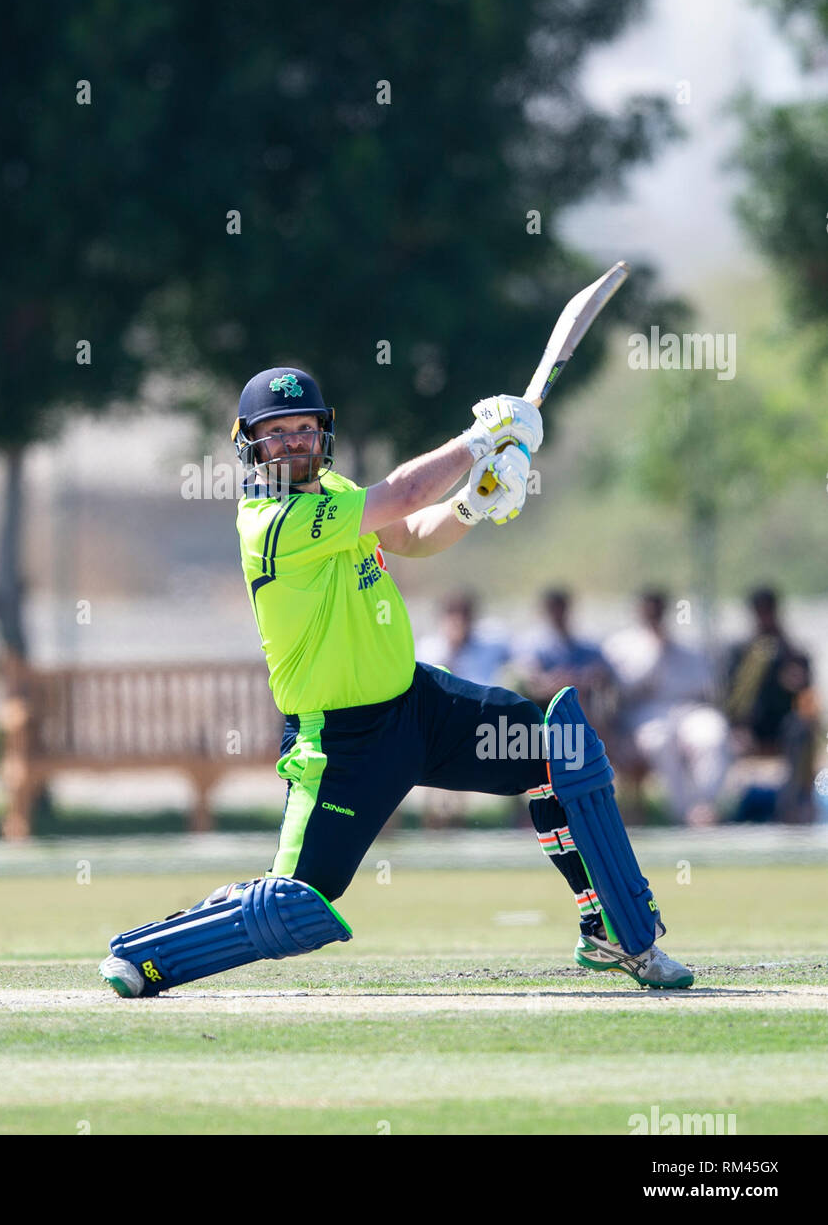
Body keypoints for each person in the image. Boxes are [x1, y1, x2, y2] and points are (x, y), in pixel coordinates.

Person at [99, 367, 693, 997]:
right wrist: (479, 439)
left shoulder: (337, 493)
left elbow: (411, 532)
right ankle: (151, 954)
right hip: (342, 747)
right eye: (278, 433)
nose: (295, 442)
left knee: (561, 752)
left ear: (322, 434)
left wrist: (474, 502)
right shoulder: (272, 522)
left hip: (419, 710)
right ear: (250, 443)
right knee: (296, 904)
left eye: (306, 429)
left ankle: (614, 932)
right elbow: (406, 492)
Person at [603, 590, 731, 826]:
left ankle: (704, 807)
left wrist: (668, 645)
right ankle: (682, 813)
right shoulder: (620, 645)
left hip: (687, 710)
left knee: (713, 733)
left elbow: (705, 685)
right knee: (660, 740)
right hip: (643, 713)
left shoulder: (684, 643)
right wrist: (655, 650)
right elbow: (626, 688)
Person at [724, 587, 816, 824]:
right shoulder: (739, 652)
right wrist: (737, 727)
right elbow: (731, 698)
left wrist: (795, 681)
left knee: (802, 729)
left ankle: (792, 807)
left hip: (784, 728)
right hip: (750, 728)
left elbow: (807, 700)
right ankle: (717, 812)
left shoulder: (794, 652)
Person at [513, 587, 616, 722]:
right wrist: (554, 683)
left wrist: (586, 678)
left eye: (561, 608)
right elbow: (530, 678)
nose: (557, 614)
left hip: (584, 709)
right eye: (553, 609)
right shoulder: (532, 645)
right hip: (545, 710)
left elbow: (606, 673)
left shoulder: (587, 647)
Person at [416, 592, 512, 687]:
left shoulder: (491, 648)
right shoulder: (427, 651)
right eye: (452, 618)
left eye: (463, 618)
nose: (457, 624)